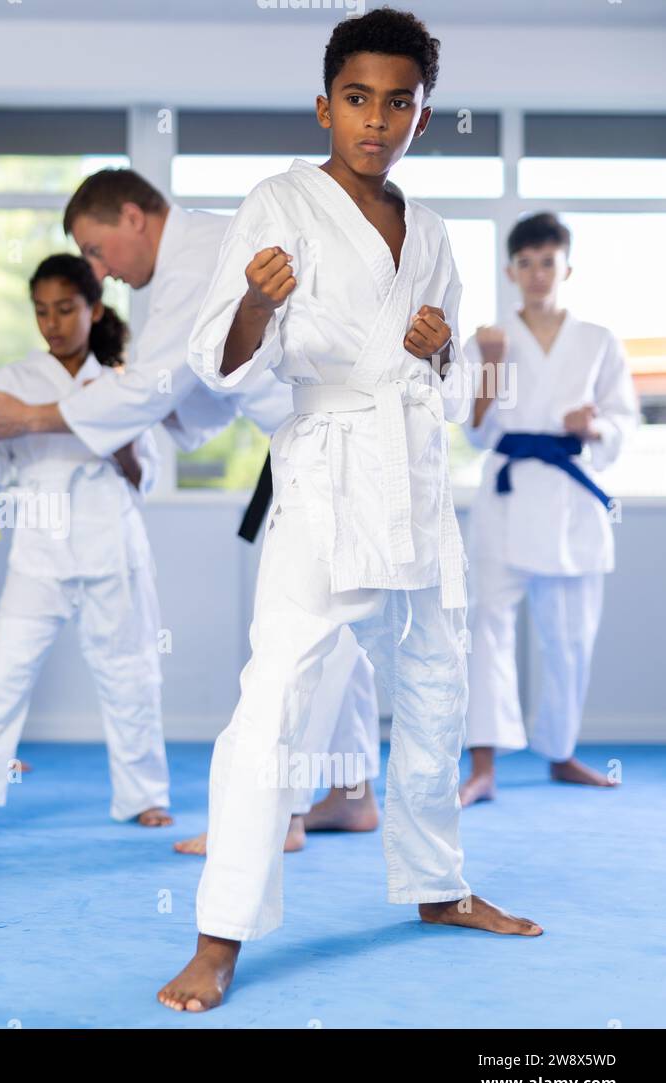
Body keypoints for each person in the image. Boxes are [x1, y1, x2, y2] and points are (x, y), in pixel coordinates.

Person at [158, 8, 542, 1013]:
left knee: (432, 684)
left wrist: (440, 347)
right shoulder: (278, 199)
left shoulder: (436, 231)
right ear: (324, 105)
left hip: (416, 471)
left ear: (422, 112)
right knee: (274, 695)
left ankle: (437, 884)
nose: (377, 121)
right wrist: (253, 299)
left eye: (399, 102)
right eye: (358, 99)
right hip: (327, 469)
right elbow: (217, 358)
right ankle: (219, 930)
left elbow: (454, 396)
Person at [0, 168, 384, 856]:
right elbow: (211, 390)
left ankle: (284, 814)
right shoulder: (200, 257)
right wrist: (118, 402)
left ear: (133, 217)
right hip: (329, 444)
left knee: (297, 630)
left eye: (97, 251)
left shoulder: (198, 258)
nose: (101, 272)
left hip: (334, 445)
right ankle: (352, 793)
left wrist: (31, 417)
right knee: (336, 631)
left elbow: (150, 393)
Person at [0, 254, 169, 849]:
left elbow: (144, 477)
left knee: (131, 673)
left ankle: (145, 795)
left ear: (94, 309)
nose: (52, 323)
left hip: (111, 540)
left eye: (65, 309)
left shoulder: (122, 378)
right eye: (41, 311)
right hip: (41, 547)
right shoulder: (12, 382)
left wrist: (113, 426)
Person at [459, 212, 639, 806]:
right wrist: (488, 363)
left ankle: (561, 752)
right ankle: (483, 763)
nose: (537, 274)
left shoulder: (597, 341)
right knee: (486, 626)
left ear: (567, 268)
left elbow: (623, 419)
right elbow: (474, 430)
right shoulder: (490, 337)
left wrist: (593, 427)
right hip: (507, 498)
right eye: (526, 263)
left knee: (571, 636)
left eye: (548, 262)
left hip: (569, 497)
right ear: (511, 270)